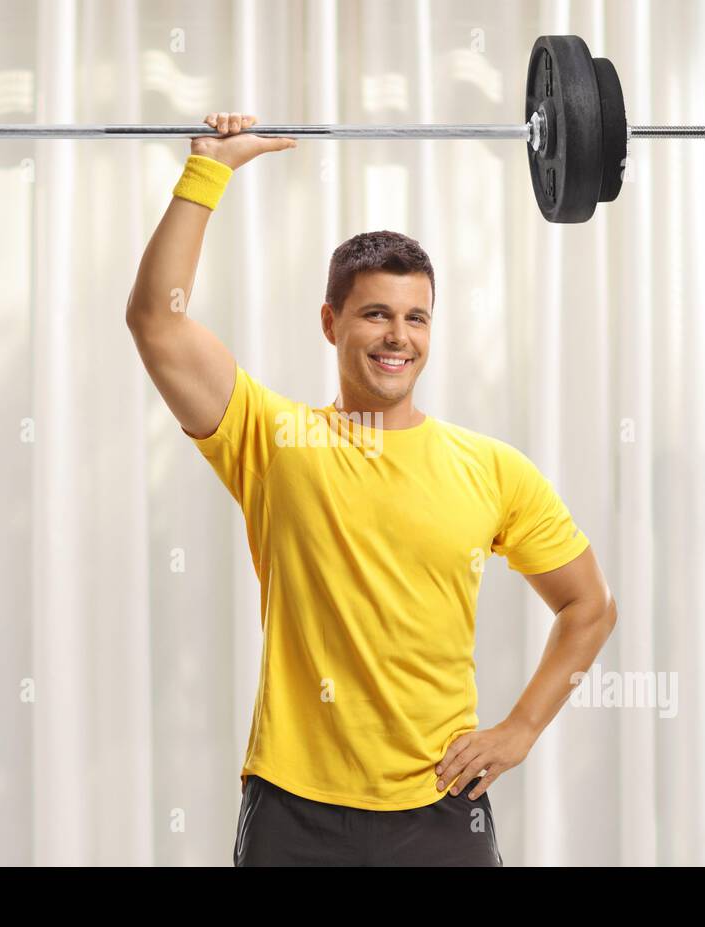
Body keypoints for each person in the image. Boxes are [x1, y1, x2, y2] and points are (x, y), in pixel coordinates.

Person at [125, 112, 618, 866]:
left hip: (441, 806)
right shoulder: (273, 440)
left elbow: (589, 606)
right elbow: (158, 322)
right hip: (294, 810)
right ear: (331, 322)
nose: (399, 336)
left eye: (416, 317)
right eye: (376, 314)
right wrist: (210, 171)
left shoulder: (492, 469)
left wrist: (519, 730)